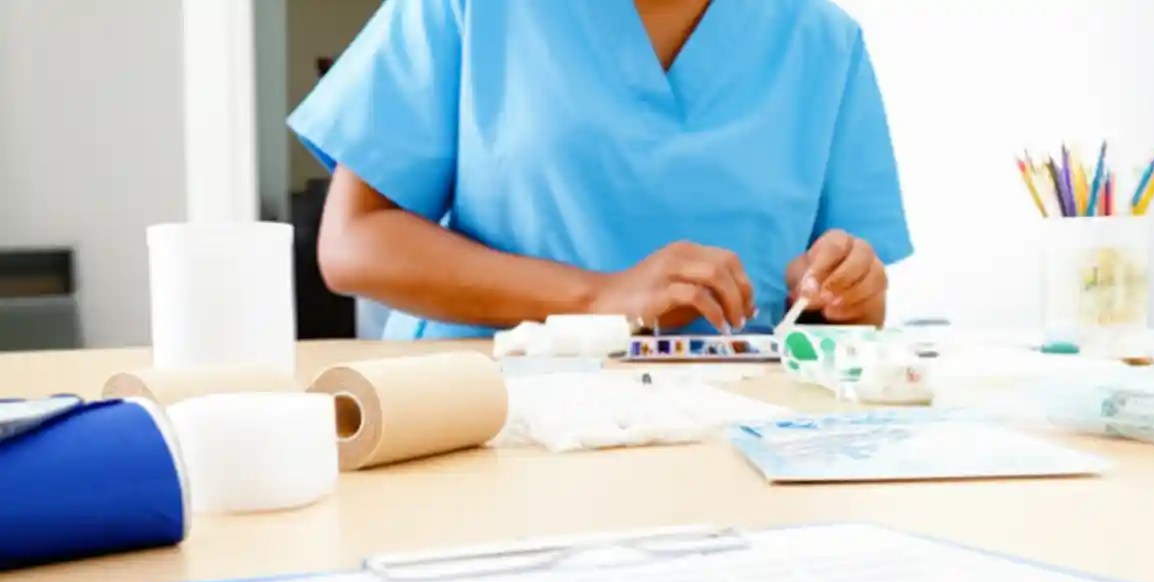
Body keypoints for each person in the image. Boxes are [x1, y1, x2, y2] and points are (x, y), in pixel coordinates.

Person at [289, 0, 912, 340]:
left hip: (738, 435)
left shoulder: (821, 39)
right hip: (491, 419)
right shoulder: (473, 9)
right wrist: (601, 298)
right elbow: (353, 243)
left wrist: (848, 293)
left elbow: (842, 303)